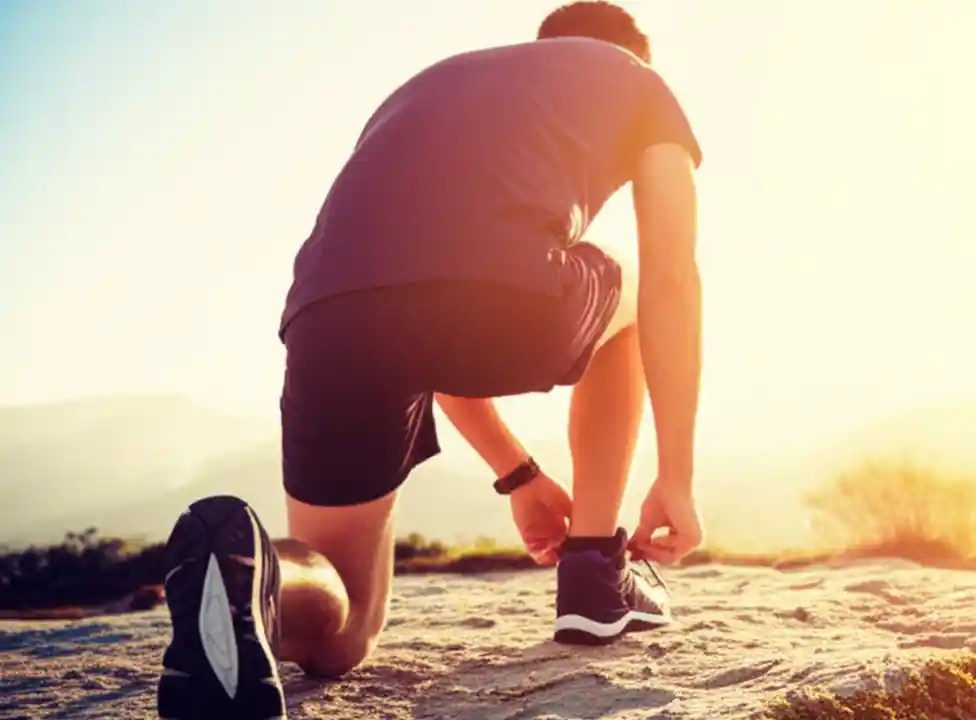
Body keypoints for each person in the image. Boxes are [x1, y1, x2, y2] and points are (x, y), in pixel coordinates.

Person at [155, 2, 703, 717]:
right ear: (634, 55)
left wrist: (520, 474)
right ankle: (596, 571)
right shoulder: (635, 78)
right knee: (626, 287)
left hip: (327, 317)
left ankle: (252, 575)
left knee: (343, 630)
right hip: (498, 293)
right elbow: (671, 281)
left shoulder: (431, 83)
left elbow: (426, 306)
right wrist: (676, 475)